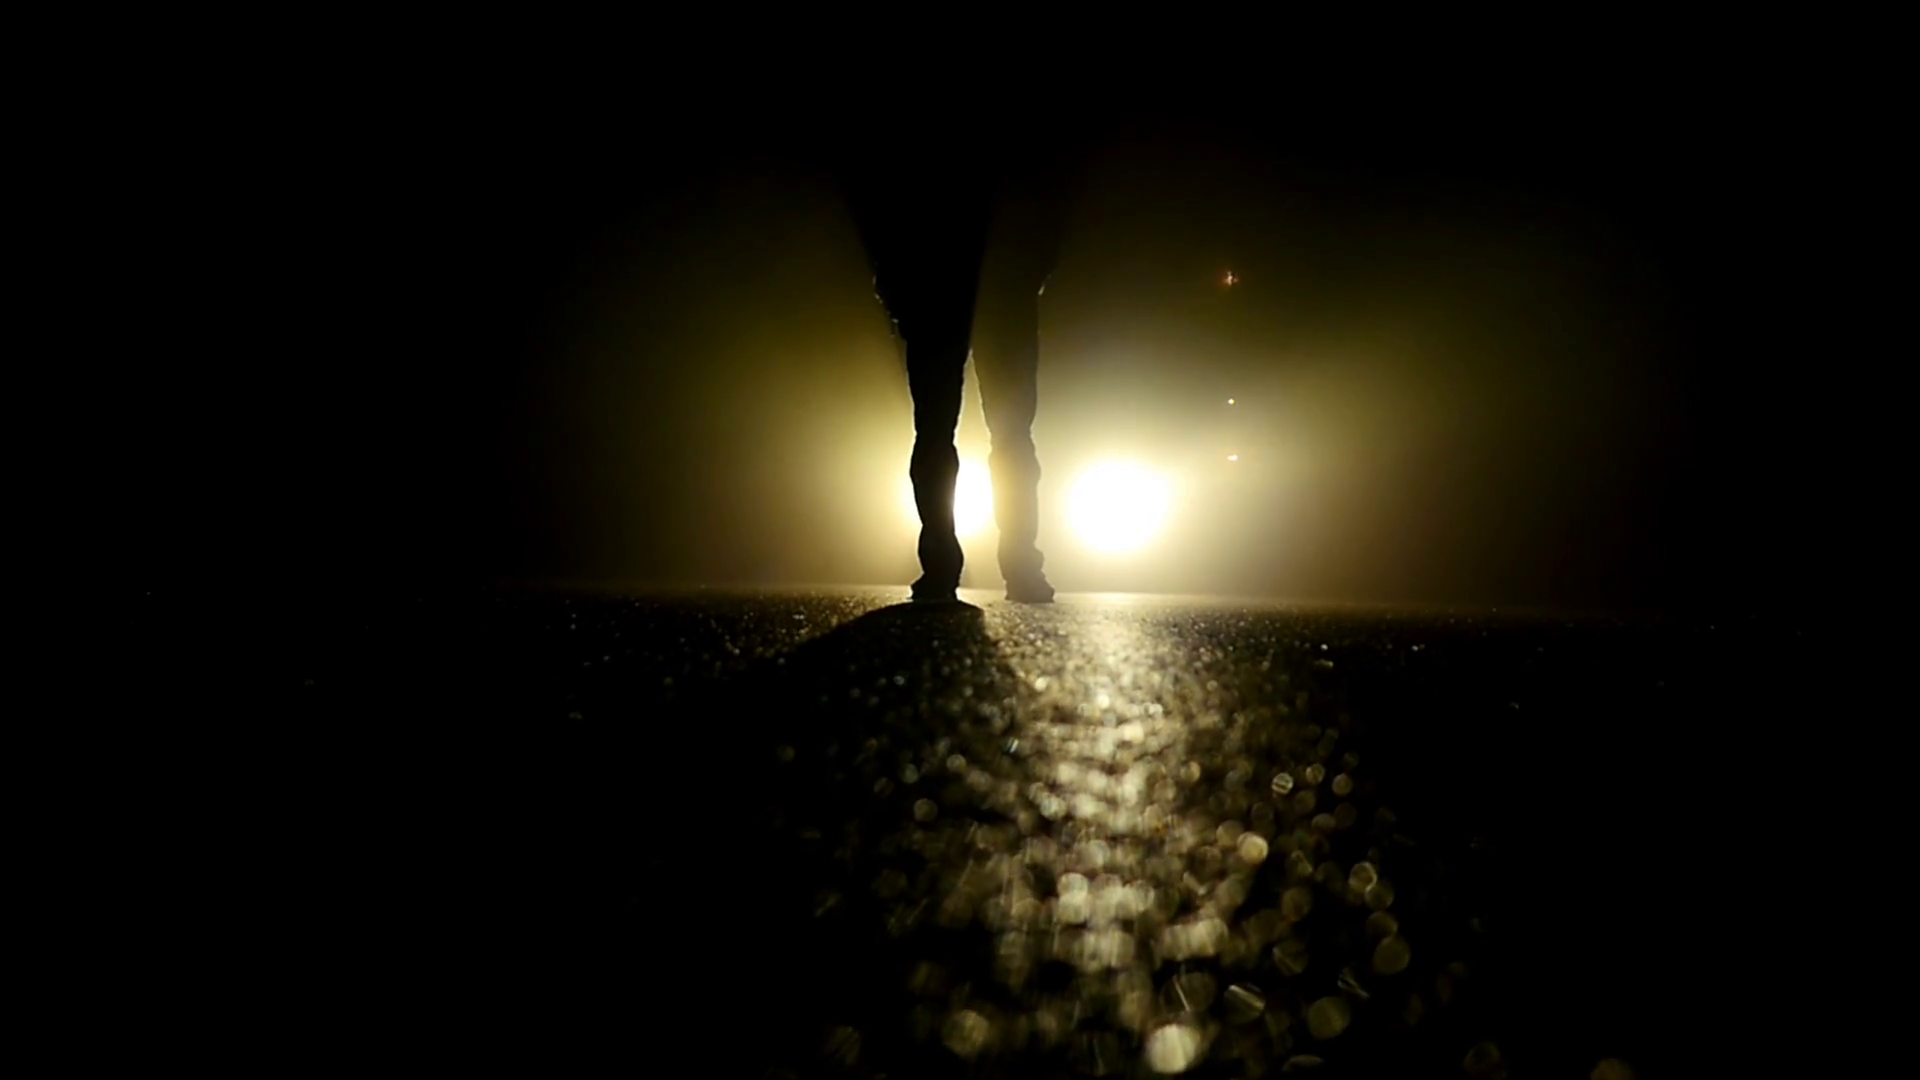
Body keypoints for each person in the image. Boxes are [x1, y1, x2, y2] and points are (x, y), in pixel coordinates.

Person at [836, 113, 1081, 603]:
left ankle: (945, 566)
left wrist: (890, 274)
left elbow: (879, 191)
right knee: (1007, 436)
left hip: (938, 279)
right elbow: (1047, 186)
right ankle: (1016, 565)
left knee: (938, 433)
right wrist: (1036, 262)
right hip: (993, 286)